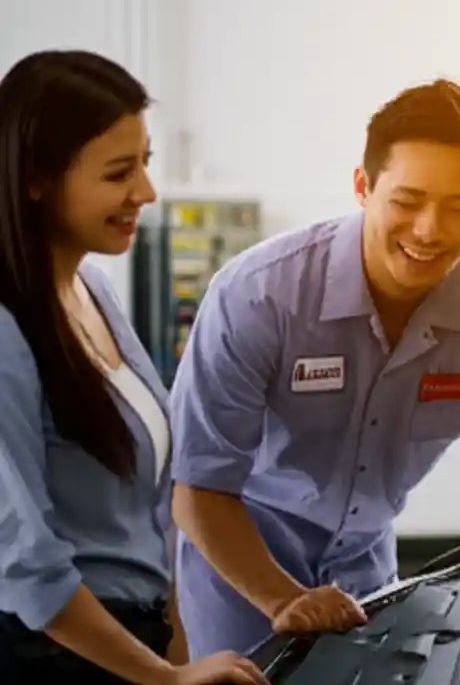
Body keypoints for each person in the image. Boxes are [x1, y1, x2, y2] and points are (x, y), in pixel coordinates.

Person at [169, 79, 460, 658]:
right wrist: (281, 599)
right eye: (407, 201)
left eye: (459, 207)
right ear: (362, 187)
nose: (430, 230)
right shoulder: (258, 297)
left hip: (367, 567)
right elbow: (199, 486)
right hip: (246, 565)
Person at [0, 50, 269, 684]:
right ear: (35, 178)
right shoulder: (8, 329)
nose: (145, 193)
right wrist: (163, 677)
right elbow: (23, 560)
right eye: (119, 172)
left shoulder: (94, 291)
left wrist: (174, 660)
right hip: (54, 657)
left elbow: (151, 516)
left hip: (130, 644)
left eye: (144, 163)